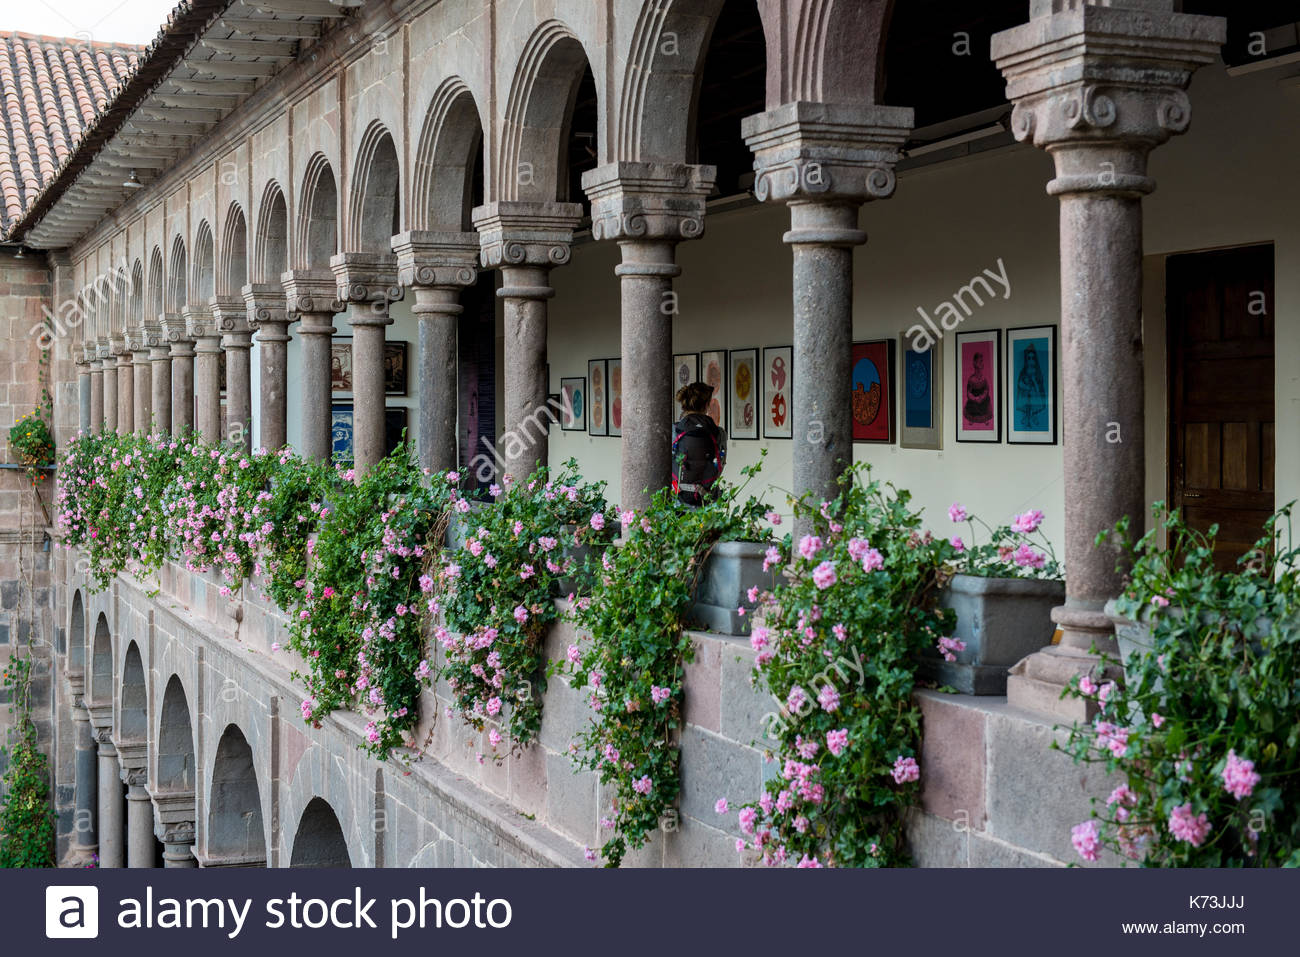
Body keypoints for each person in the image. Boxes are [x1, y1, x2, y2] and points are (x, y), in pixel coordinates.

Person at [671, 382, 726, 506]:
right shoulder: (719, 433)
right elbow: (720, 463)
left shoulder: (674, 431)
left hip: (676, 497)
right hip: (706, 498)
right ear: (707, 405)